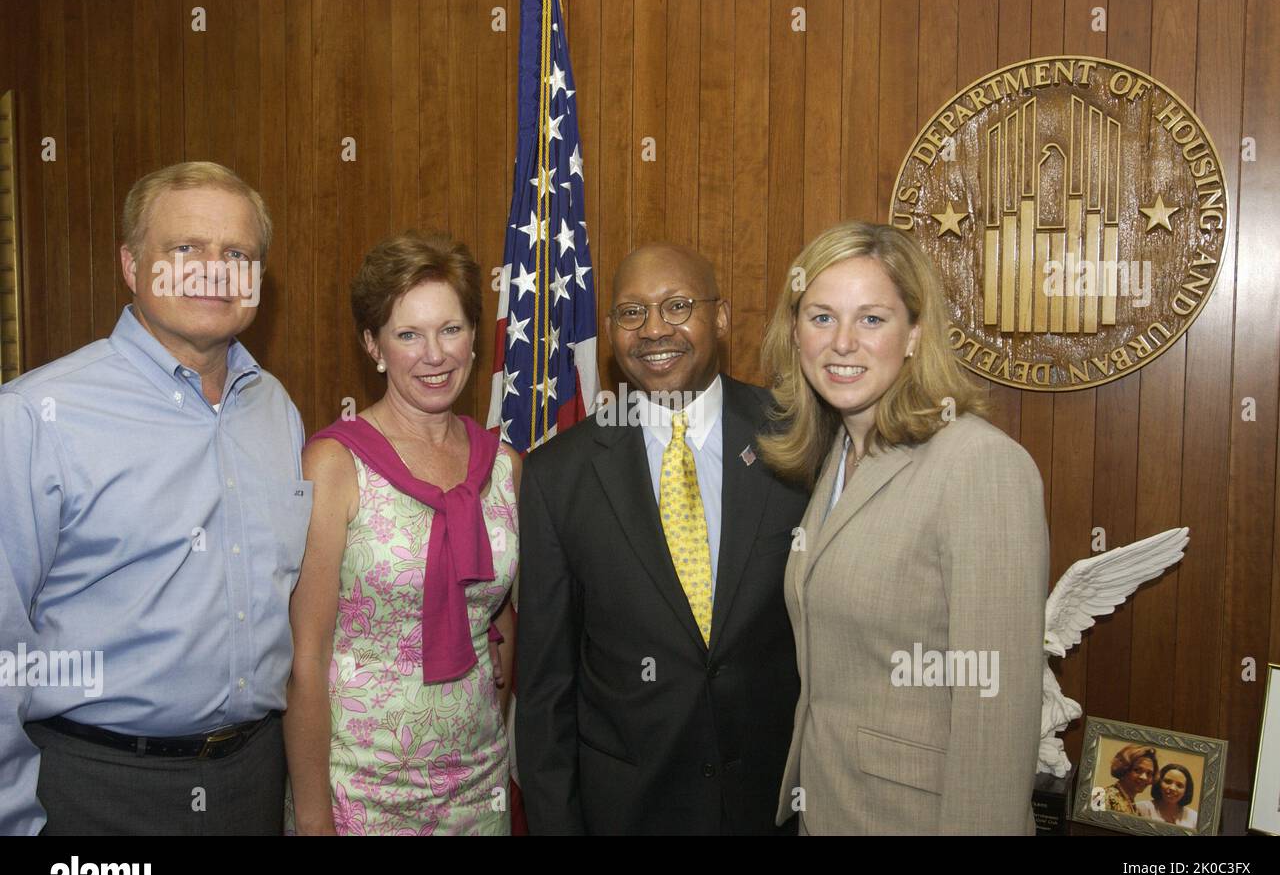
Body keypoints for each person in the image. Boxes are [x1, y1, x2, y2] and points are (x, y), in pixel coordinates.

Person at [0, 161, 308, 835]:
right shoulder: (35, 417)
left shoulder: (277, 411)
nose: (213, 270)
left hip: (252, 779)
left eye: (238, 253)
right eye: (185, 249)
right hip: (94, 791)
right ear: (132, 265)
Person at [762, 221, 1048, 835]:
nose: (842, 343)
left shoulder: (980, 465)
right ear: (795, 332)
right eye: (820, 317)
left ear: (915, 334)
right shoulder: (839, 453)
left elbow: (995, 707)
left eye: (871, 320)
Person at [515, 243, 809, 834]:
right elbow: (546, 689)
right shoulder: (558, 474)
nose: (654, 330)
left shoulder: (798, 441)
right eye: (631, 313)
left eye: (678, 306)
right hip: (627, 810)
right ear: (609, 330)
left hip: (776, 803)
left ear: (721, 317)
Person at [283, 232, 519, 836]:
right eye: (408, 334)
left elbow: (509, 622)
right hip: (360, 793)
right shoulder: (333, 465)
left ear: (474, 336)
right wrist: (314, 821)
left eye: (451, 329)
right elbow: (305, 659)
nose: (434, 354)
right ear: (373, 346)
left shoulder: (507, 468)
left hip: (477, 785)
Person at [1136, 762, 1196, 828]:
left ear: (1186, 790)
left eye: (1179, 785)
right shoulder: (1140, 809)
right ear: (1159, 783)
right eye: (1168, 782)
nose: (1172, 788)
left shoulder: (1194, 817)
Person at [1104, 744, 1158, 815]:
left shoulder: (1133, 806)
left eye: (1149, 773)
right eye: (1137, 770)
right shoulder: (1103, 797)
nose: (1144, 777)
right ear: (1124, 769)